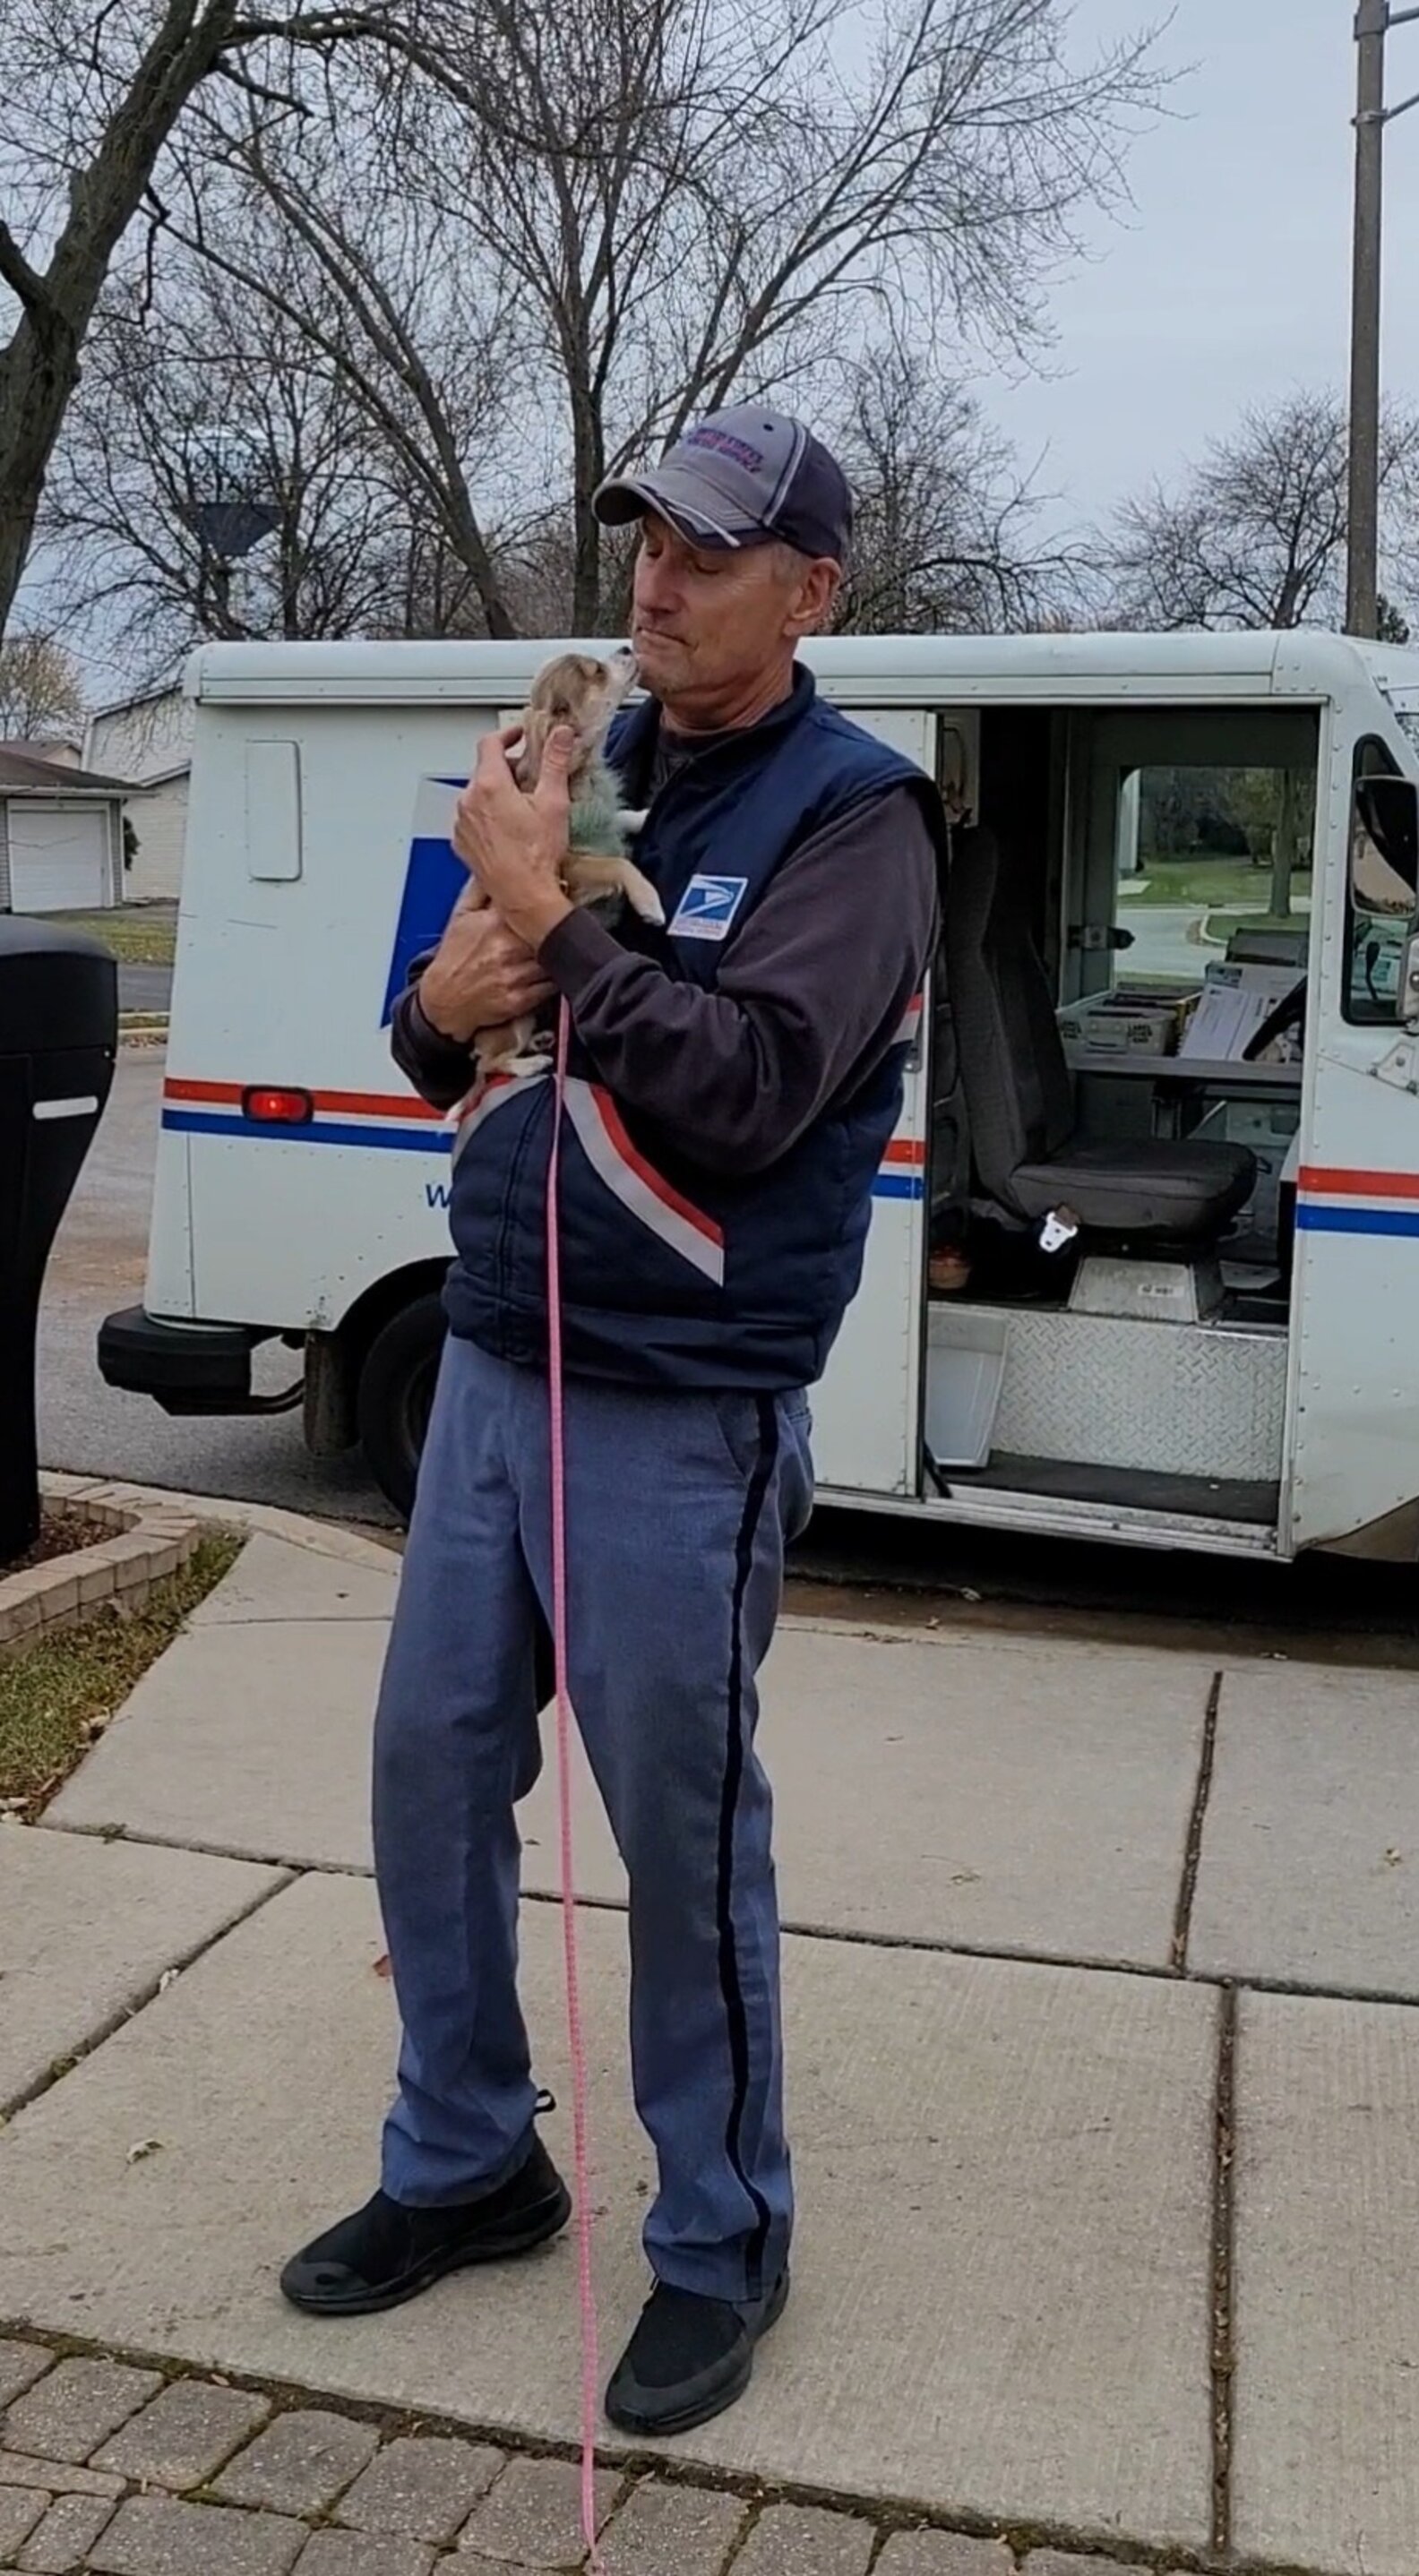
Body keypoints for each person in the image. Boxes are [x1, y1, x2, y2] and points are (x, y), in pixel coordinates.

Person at [281, 406, 947, 2437]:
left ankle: (722, 2234)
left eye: (707, 554)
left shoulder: (860, 820)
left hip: (683, 1403)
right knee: (427, 1776)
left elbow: (748, 1093)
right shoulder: (570, 765)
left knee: (678, 1831)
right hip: (495, 1360)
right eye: (646, 542)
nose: (656, 581)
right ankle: (466, 2157)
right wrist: (459, 979)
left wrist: (553, 925)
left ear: (810, 591)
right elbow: (426, 1039)